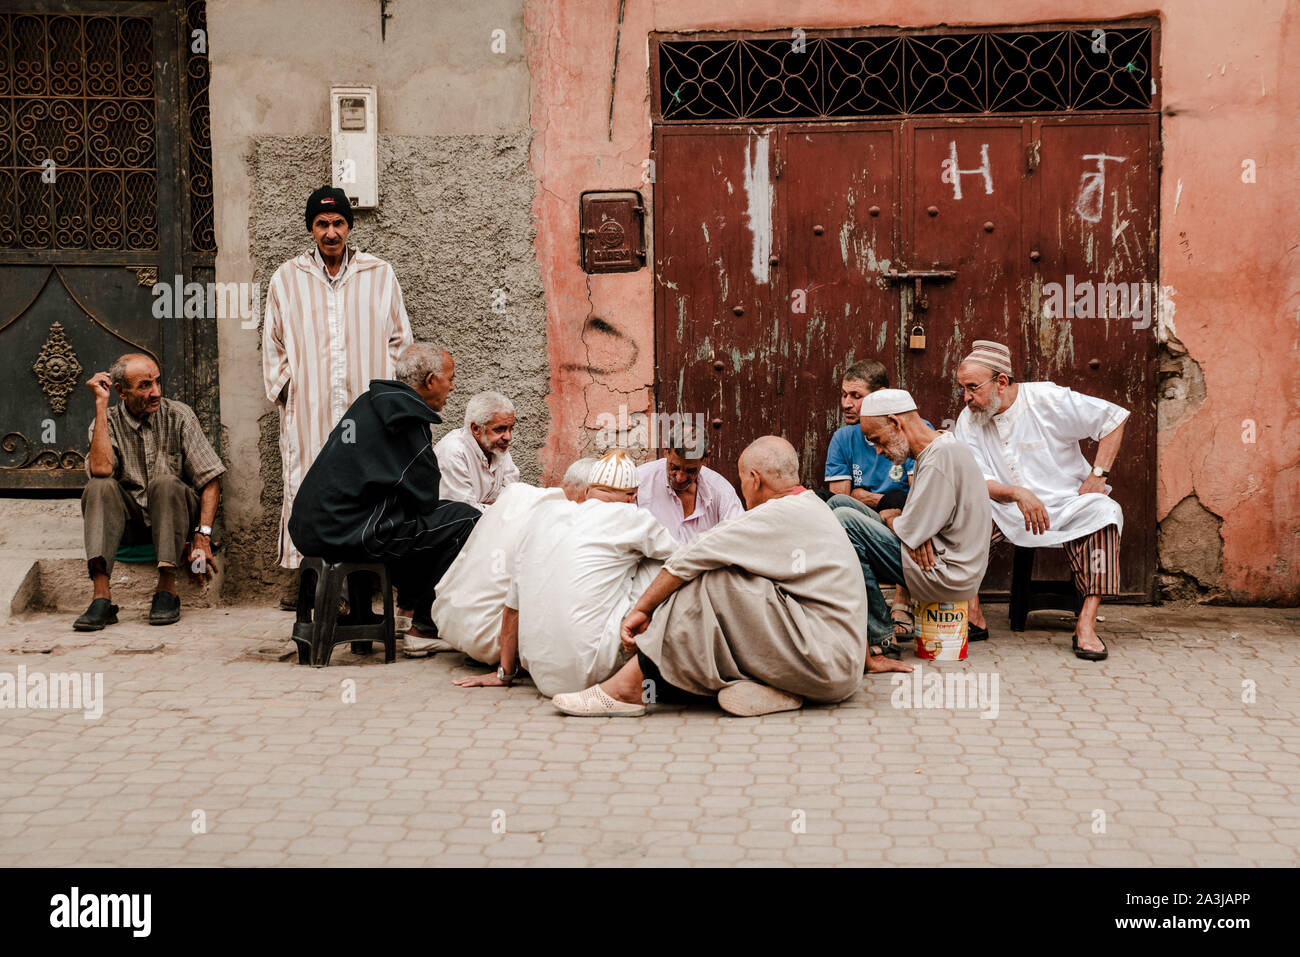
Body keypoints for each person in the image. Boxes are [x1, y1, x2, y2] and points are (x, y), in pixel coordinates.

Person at [551, 437, 911, 719]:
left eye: (743, 480)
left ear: (754, 479)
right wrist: (863, 658)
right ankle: (766, 684)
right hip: (837, 668)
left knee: (711, 580)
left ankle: (627, 690)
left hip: (822, 663)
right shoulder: (812, 507)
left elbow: (689, 557)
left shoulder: (777, 514)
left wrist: (642, 610)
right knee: (737, 579)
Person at [262, 186, 413, 604]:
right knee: (311, 489)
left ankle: (363, 596)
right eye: (322, 224)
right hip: (310, 414)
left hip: (367, 417)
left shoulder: (378, 274)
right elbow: (273, 347)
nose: (331, 232)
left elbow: (400, 342)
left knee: (367, 491)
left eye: (338, 223)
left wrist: (390, 403)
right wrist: (295, 391)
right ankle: (313, 589)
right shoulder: (287, 279)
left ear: (350, 226)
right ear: (311, 228)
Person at [287, 343, 478, 643]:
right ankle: (424, 625)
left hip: (309, 528)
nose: (452, 387)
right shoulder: (408, 419)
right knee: (464, 519)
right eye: (450, 379)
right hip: (350, 533)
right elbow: (426, 498)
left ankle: (372, 614)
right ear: (430, 381)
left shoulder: (368, 403)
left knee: (411, 527)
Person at [951, 340, 1128, 660]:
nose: (966, 397)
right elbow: (975, 480)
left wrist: (1098, 475)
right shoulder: (969, 419)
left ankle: (1086, 624)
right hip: (1006, 506)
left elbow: (1113, 419)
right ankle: (973, 613)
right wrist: (1018, 494)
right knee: (963, 511)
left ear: (1001, 382)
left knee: (1106, 512)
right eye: (962, 388)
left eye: (972, 388)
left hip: (1067, 503)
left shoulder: (1048, 398)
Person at [453, 450, 676, 696]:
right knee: (662, 566)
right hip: (594, 671)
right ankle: (642, 672)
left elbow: (512, 607)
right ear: (632, 496)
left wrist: (504, 673)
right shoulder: (633, 516)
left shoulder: (541, 516)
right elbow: (682, 559)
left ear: (588, 491)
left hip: (542, 676)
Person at [830, 389, 992, 658]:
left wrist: (895, 518)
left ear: (895, 423)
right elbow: (915, 528)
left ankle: (881, 637)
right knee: (839, 504)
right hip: (933, 558)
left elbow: (912, 529)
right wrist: (907, 525)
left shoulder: (941, 458)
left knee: (845, 521)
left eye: (878, 441)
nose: (879, 451)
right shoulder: (933, 450)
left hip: (945, 572)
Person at [76, 354, 225, 630]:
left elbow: (211, 479)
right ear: (121, 391)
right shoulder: (106, 422)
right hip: (131, 523)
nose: (156, 392)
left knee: (165, 482)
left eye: (157, 381)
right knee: (99, 485)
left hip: (174, 517)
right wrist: (100, 405)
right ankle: (101, 597)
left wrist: (203, 534)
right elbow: (100, 469)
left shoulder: (178, 415)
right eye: (145, 385)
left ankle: (167, 588)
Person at [424, 458, 596, 662]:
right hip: (489, 640)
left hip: (447, 619)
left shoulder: (516, 493)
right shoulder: (561, 516)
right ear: (587, 492)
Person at [824, 359, 923, 516]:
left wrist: (871, 498)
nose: (846, 404)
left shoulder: (909, 429)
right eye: (844, 395)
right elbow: (839, 501)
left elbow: (919, 502)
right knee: (825, 500)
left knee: (894, 499)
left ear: (880, 395)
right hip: (858, 518)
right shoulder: (842, 438)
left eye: (856, 396)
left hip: (900, 517)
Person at [636, 422, 743, 542]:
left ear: (706, 458)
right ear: (666, 451)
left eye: (690, 470)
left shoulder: (721, 490)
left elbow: (738, 538)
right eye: (674, 467)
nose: (680, 478)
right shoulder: (639, 482)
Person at [433, 391, 521, 510]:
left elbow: (512, 497)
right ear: (476, 429)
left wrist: (484, 506)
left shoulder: (497, 449)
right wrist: (497, 508)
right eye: (500, 429)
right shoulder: (453, 452)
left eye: (511, 429)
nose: (508, 437)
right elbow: (464, 514)